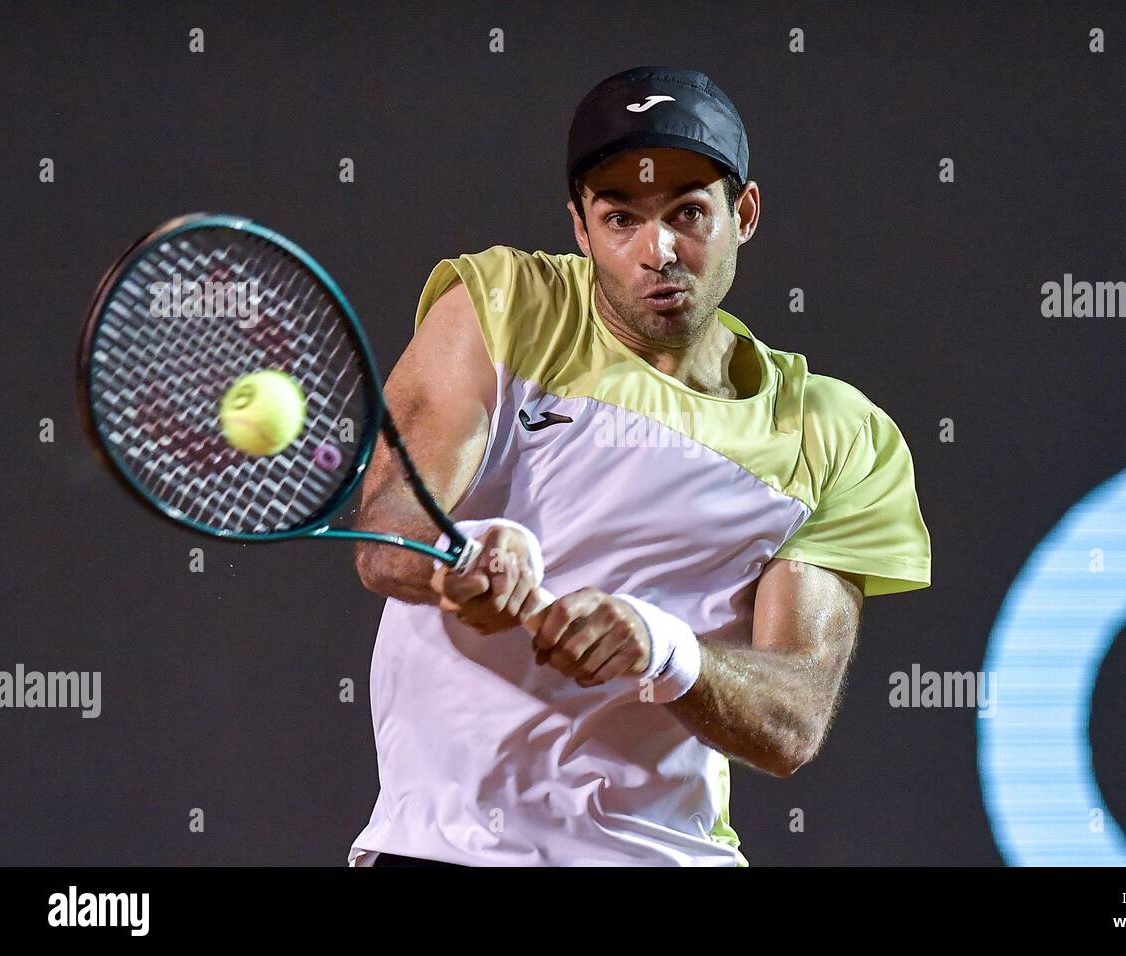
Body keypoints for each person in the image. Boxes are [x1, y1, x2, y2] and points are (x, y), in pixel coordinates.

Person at [348, 66, 931, 867]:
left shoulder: (838, 435)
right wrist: (466, 554)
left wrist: (665, 647)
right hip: (446, 851)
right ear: (581, 231)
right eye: (621, 218)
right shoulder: (501, 303)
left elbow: (792, 720)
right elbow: (388, 534)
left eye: (689, 213)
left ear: (744, 214)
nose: (659, 251)